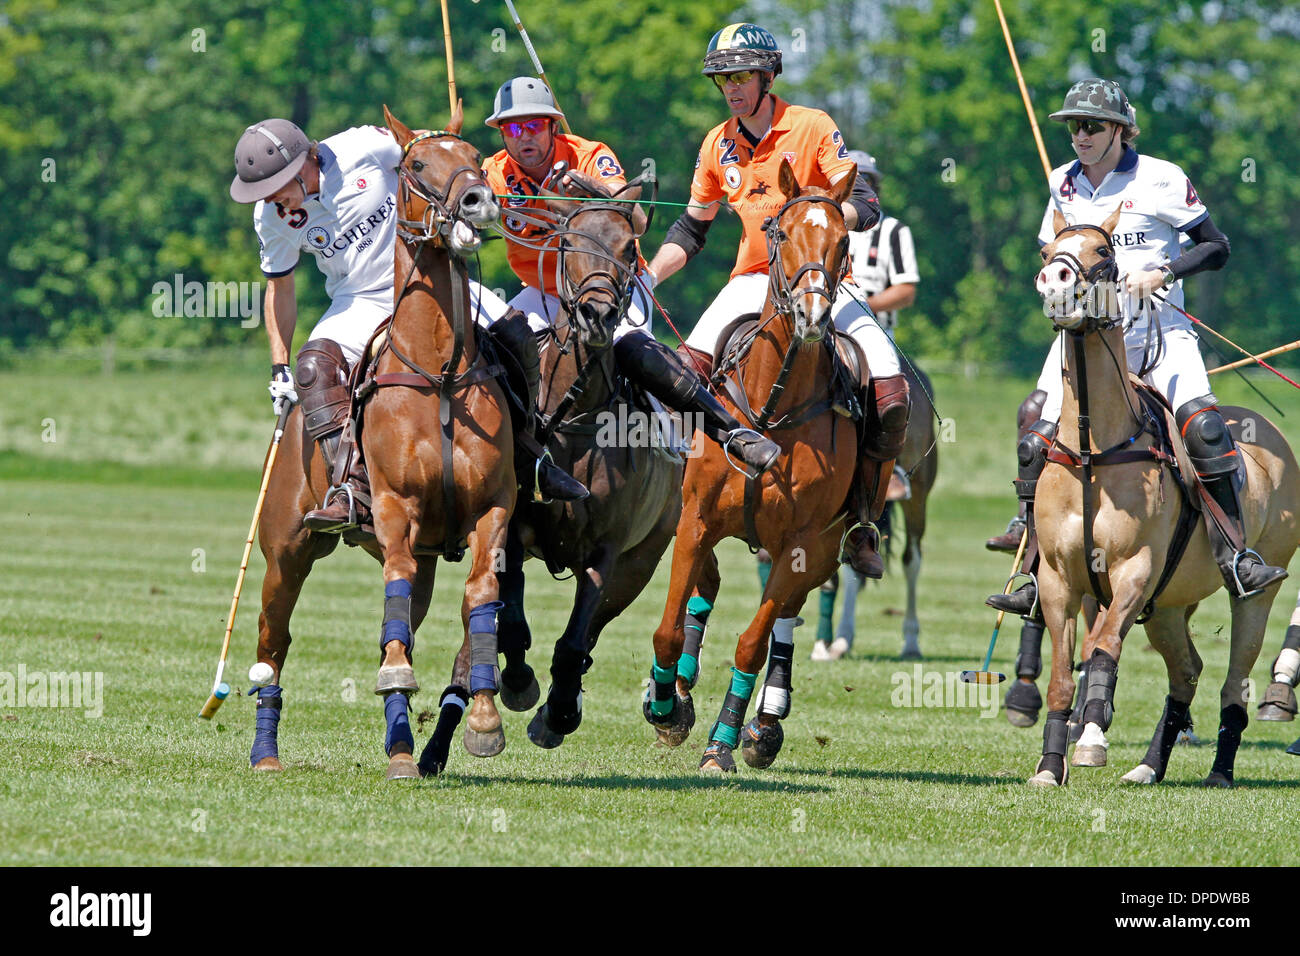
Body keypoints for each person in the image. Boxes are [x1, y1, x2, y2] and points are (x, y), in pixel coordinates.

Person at [986, 77, 1287, 619]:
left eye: (1091, 126)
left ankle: (1235, 553)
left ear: (1120, 131)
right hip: (1088, 341)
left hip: (1161, 333)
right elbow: (1052, 253)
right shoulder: (1062, 184)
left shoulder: (1162, 178)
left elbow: (1217, 247)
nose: (1079, 135)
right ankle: (1032, 561)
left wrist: (1163, 270)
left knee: (1205, 426)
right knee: (1034, 422)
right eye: (1073, 125)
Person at [229, 116, 585, 536]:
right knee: (312, 370)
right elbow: (280, 289)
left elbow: (428, 152)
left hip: (431, 279)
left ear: (306, 161)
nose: (272, 201)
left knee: (518, 336)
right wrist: (279, 365)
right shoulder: (270, 217)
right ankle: (351, 486)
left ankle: (532, 457)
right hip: (357, 299)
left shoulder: (363, 148)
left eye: (276, 189)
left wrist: (459, 192)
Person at [644, 23, 910, 578]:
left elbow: (866, 201)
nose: (732, 88)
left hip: (825, 280)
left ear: (767, 76)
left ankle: (863, 521)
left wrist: (823, 220)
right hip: (753, 281)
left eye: (742, 76)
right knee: (677, 379)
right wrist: (647, 277)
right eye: (723, 78)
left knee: (890, 391)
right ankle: (678, 498)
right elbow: (692, 230)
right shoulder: (718, 143)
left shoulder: (811, 126)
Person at [480, 76, 785, 476]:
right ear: (503, 134)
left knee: (633, 350)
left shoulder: (590, 155)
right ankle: (511, 455)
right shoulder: (493, 173)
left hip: (613, 284)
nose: (524, 137)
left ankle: (731, 435)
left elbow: (637, 222)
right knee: (495, 344)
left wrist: (586, 187)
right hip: (546, 291)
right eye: (513, 128)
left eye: (534, 125)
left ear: (554, 126)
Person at [810, 150, 923, 660]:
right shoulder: (817, 219)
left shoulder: (891, 231)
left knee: (889, 395)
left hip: (873, 332)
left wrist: (858, 302)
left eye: (865, 182)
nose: (858, 188)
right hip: (819, 329)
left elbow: (907, 289)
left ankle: (890, 466)